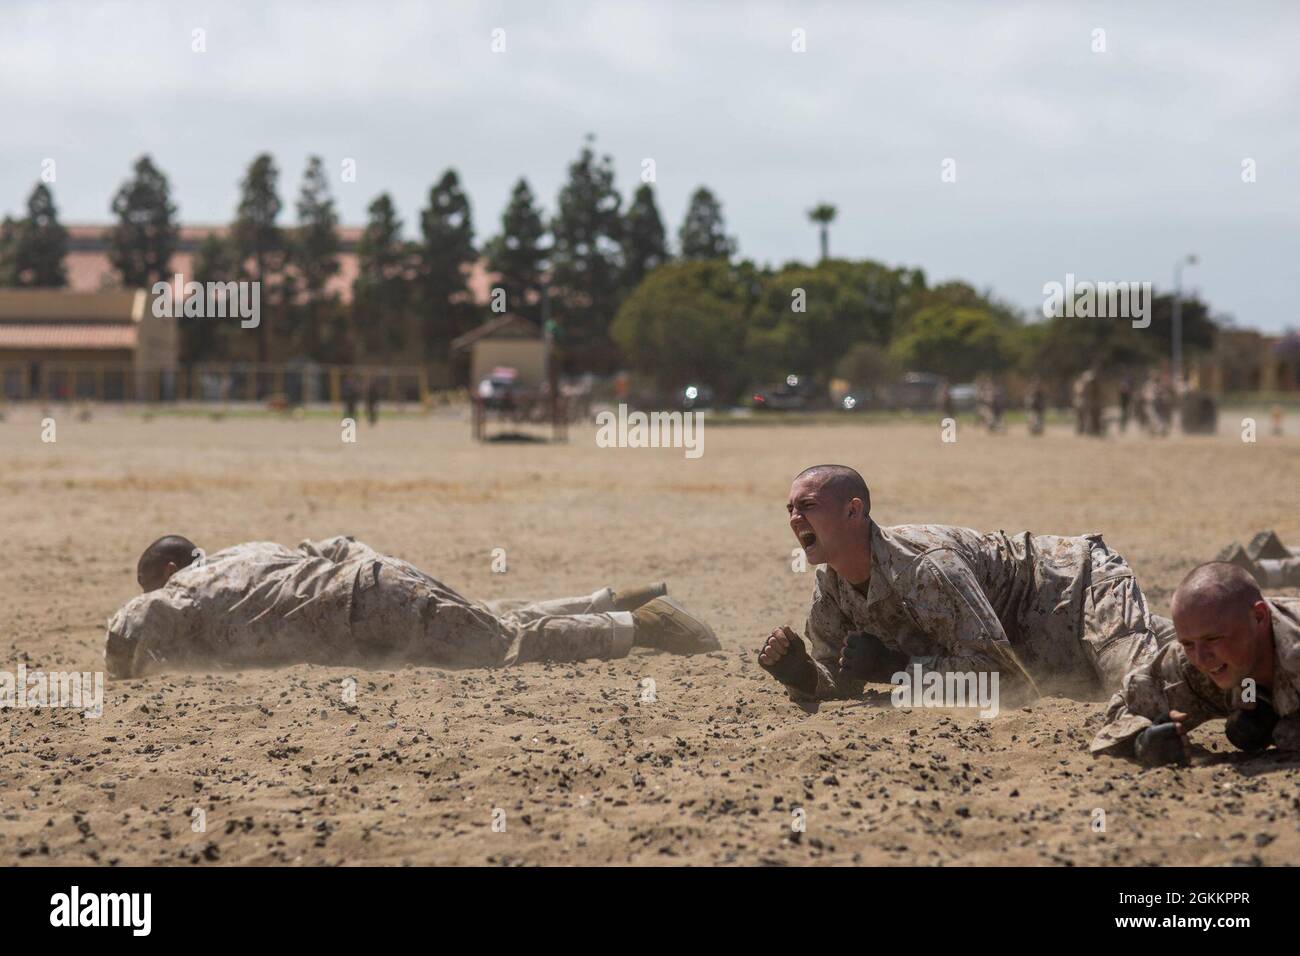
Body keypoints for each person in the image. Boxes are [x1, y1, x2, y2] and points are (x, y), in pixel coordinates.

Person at [755, 465, 1171, 703]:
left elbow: (1001, 677)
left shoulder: (926, 567)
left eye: (808, 506)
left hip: (1080, 585)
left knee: (1138, 689)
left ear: (853, 511)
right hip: (1057, 650)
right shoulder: (832, 588)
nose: (794, 518)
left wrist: (898, 671)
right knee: (1195, 646)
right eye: (790, 509)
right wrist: (803, 674)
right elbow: (842, 679)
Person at [107, 535, 718, 679]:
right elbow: (337, 542)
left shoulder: (176, 592)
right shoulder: (248, 552)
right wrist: (380, 580)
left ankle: (633, 627)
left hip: (358, 607)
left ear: (164, 572)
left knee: (496, 647)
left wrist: (127, 676)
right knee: (487, 617)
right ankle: (608, 599)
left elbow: (124, 633)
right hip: (373, 579)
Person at [1090, 562, 1300, 765]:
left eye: (1213, 639)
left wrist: (1285, 729)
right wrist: (1143, 740)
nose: (1200, 658)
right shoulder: (1194, 665)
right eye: (1188, 643)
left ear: (1259, 617)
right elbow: (1123, 708)